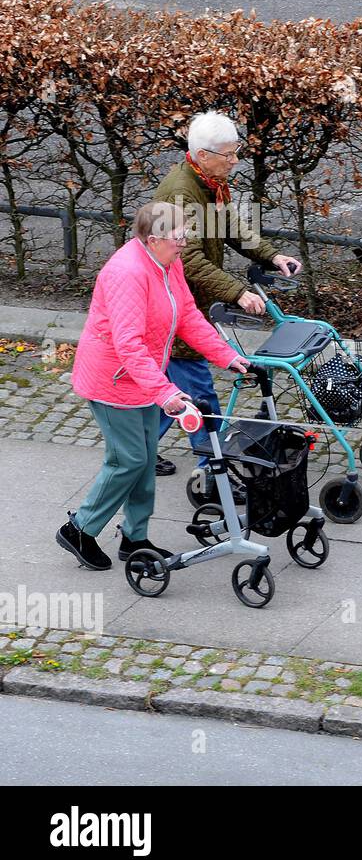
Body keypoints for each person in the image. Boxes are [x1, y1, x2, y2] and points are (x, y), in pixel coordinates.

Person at [57, 202, 250, 570]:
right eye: (179, 236)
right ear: (153, 238)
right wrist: (165, 392)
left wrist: (226, 356)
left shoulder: (168, 262)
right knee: (128, 461)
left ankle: (135, 538)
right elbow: (127, 343)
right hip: (113, 382)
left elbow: (188, 317)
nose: (185, 242)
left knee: (144, 463)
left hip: (143, 379)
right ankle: (79, 528)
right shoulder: (127, 273)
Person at [152, 111, 301, 480]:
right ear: (203, 155)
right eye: (229, 154)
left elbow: (230, 225)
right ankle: (212, 470)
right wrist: (238, 293)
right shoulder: (181, 192)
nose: (235, 161)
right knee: (199, 390)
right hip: (174, 308)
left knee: (174, 385)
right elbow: (190, 260)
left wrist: (271, 255)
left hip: (185, 304)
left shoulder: (209, 182)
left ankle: (137, 451)